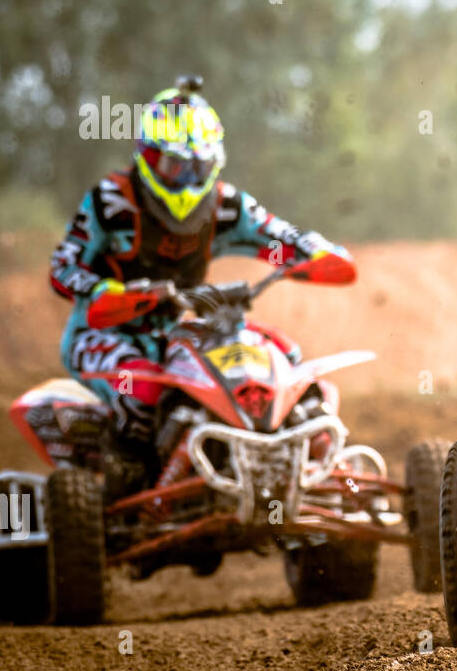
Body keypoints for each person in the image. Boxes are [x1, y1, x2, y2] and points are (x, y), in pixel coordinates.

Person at [49, 75, 354, 483]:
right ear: (148, 157)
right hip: (103, 332)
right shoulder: (111, 202)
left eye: (198, 168)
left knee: (285, 362)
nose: (187, 180)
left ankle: (331, 473)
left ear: (215, 162)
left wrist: (315, 252)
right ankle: (124, 494)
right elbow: (63, 266)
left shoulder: (225, 205)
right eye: (175, 166)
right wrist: (104, 290)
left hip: (179, 333)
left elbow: (279, 237)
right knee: (142, 392)